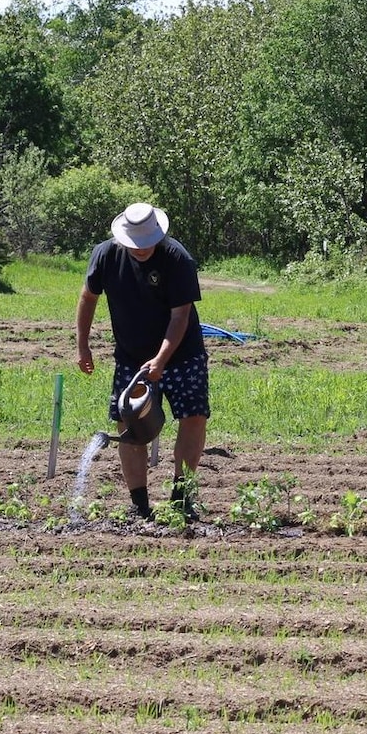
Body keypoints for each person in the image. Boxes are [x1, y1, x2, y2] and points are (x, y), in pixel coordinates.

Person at [75, 203, 208, 521]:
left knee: (193, 418)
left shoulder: (177, 258)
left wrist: (162, 359)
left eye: (148, 243)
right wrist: (83, 346)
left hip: (182, 355)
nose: (142, 249)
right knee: (129, 426)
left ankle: (182, 498)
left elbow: (181, 315)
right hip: (131, 357)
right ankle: (139, 504)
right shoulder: (105, 255)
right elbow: (88, 297)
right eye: (136, 244)